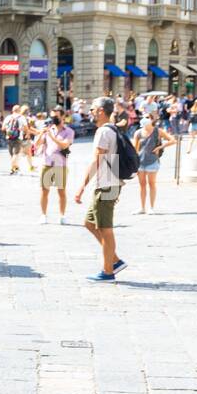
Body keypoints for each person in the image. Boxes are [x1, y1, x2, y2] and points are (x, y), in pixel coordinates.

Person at [74, 97, 128, 282]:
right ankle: (114, 259)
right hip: (109, 181)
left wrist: (82, 186)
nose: (91, 112)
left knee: (105, 228)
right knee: (89, 223)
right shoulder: (111, 129)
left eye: (94, 109)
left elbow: (97, 160)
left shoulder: (104, 132)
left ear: (101, 111)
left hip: (106, 183)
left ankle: (108, 271)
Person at [34, 111, 74, 224]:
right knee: (44, 190)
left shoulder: (69, 132)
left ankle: (62, 215)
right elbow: (36, 145)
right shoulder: (48, 130)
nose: (53, 119)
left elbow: (64, 145)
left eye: (55, 116)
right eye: (52, 117)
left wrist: (51, 136)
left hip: (60, 165)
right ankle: (43, 215)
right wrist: (41, 134)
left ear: (62, 117)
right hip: (47, 163)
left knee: (61, 191)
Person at [133, 114, 176, 215]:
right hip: (140, 162)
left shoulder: (158, 131)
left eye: (147, 117)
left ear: (152, 119)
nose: (145, 119)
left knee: (152, 184)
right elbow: (135, 149)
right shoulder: (138, 133)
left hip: (153, 161)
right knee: (142, 185)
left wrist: (160, 147)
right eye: (143, 117)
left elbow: (173, 140)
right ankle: (142, 208)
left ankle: (151, 208)